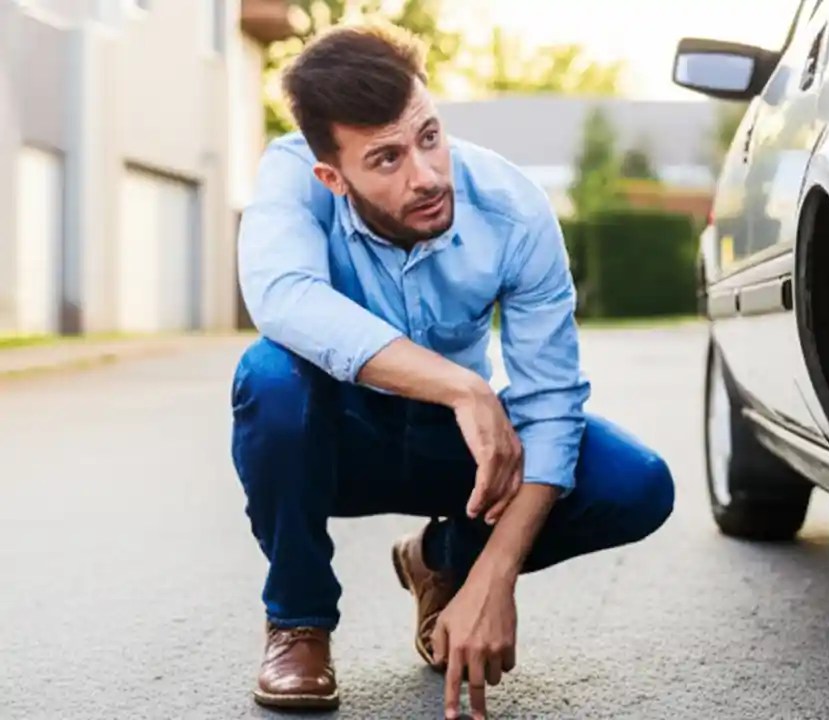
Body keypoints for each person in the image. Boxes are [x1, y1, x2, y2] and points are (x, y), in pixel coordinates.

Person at [232, 24, 674, 719]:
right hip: (339, 437)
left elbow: (551, 404)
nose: (427, 175)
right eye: (385, 159)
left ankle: (442, 557)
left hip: (463, 455)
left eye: (429, 135)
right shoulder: (292, 176)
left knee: (636, 484)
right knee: (270, 380)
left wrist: (492, 574)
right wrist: (462, 386)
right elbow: (282, 296)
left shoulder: (510, 206)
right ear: (333, 177)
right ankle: (299, 621)